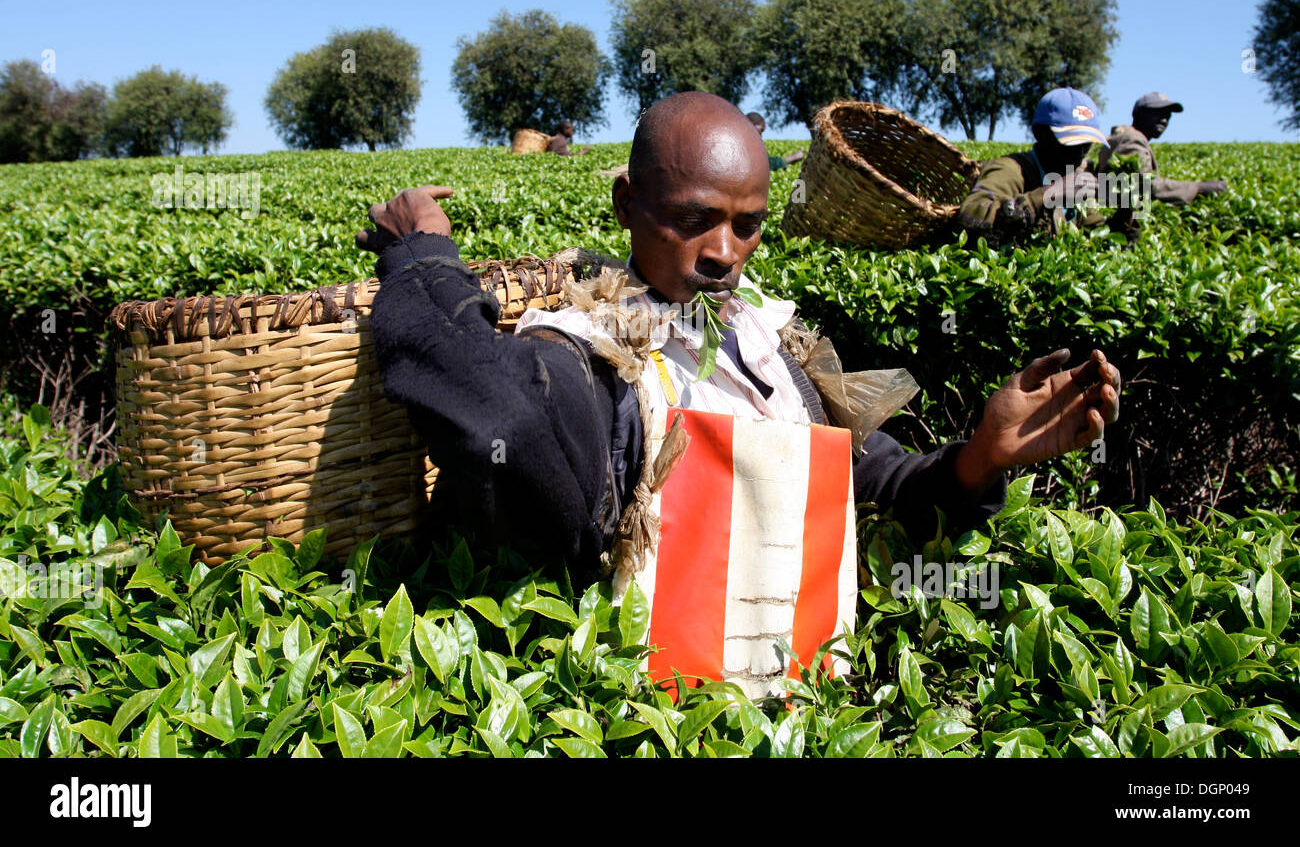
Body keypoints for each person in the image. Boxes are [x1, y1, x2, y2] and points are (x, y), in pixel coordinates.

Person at [358, 91, 1121, 696]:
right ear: (627, 206)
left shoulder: (768, 346)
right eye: (695, 220)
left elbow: (862, 485)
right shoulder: (595, 351)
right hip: (663, 722)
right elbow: (508, 417)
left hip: (808, 711)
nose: (725, 254)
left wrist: (979, 460)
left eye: (747, 225)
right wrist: (424, 257)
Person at [957, 88, 1109, 245]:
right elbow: (971, 215)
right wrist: (1047, 194)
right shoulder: (1011, 170)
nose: (1079, 154)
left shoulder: (1072, 178)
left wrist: (1126, 213)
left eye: (1086, 145)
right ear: (1041, 134)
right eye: (1071, 144)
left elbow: (1098, 233)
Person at [1095, 92, 1228, 236]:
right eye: (1157, 113)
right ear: (1138, 114)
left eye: (1167, 115)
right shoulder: (1132, 139)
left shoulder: (1127, 137)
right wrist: (1198, 188)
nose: (1164, 119)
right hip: (1117, 229)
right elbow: (1144, 185)